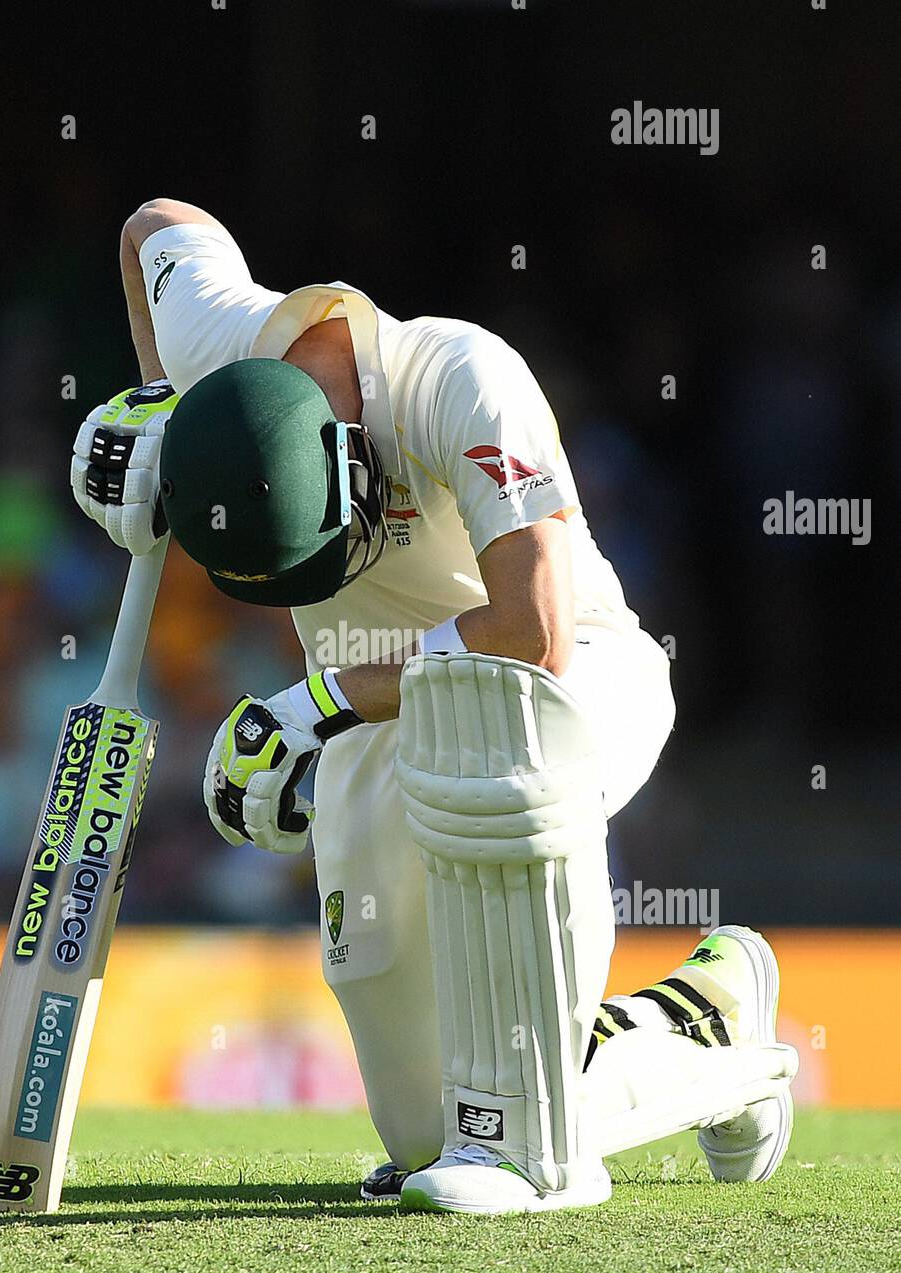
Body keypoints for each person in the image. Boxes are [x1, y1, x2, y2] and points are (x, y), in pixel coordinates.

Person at [70, 198, 797, 1214]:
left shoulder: (464, 380)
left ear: (349, 459)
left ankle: (524, 1156)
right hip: (378, 712)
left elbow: (530, 633)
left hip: (576, 678)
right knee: (426, 1129)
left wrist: (316, 704)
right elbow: (155, 225)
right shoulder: (212, 335)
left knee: (495, 734)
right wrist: (157, 401)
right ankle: (710, 1022)